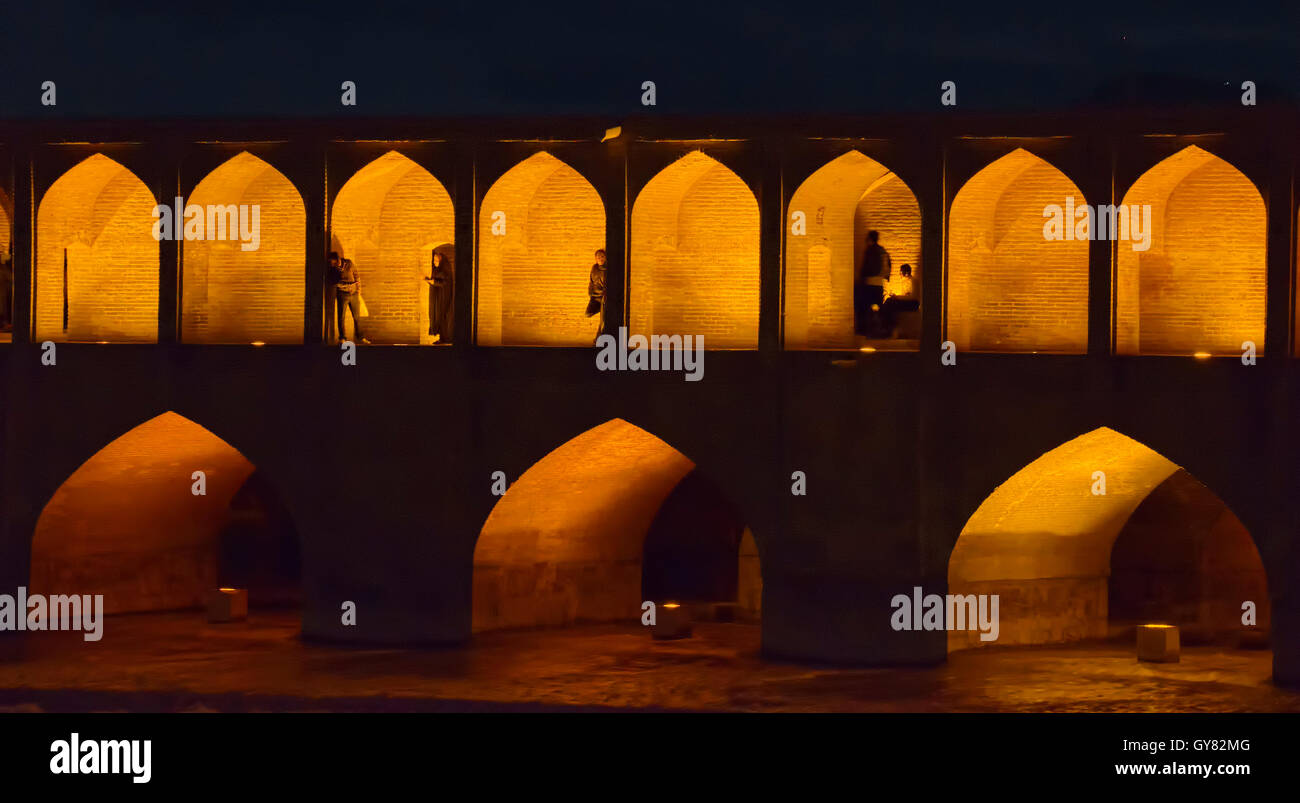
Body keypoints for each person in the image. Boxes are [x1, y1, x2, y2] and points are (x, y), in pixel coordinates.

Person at [855, 230, 891, 339]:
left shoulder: (870, 250)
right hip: (879, 284)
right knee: (879, 307)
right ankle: (880, 330)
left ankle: (868, 331)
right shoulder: (883, 251)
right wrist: (885, 277)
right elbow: (888, 266)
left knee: (866, 307)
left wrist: (861, 279)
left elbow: (866, 267)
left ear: (869, 239)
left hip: (869, 283)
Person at [329, 251, 369, 344]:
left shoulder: (349, 263)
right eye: (332, 263)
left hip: (354, 294)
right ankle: (342, 338)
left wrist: (358, 290)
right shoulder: (333, 269)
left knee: (357, 317)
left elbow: (356, 275)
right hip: (342, 295)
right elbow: (333, 282)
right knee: (341, 317)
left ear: (338, 259)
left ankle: (360, 337)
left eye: (335, 262)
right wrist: (345, 285)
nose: (335, 264)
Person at [882, 264, 919, 338]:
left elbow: (912, 297)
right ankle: (887, 325)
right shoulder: (905, 281)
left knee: (889, 302)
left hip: (913, 303)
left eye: (900, 272)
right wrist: (896, 296)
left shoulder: (912, 281)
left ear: (906, 273)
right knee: (889, 301)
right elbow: (905, 296)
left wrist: (897, 297)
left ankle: (886, 326)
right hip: (909, 302)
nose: (899, 274)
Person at [425, 250, 454, 344]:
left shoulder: (446, 271)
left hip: (444, 298)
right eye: (434, 261)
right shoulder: (436, 270)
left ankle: (447, 338)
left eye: (436, 261)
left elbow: (446, 283)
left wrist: (434, 282)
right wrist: (430, 281)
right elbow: (436, 280)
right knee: (437, 316)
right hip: (437, 298)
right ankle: (442, 338)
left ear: (441, 261)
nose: (434, 262)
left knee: (443, 316)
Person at [586, 249, 607, 344]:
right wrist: (590, 293)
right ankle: (602, 310)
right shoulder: (594, 268)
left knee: (603, 320)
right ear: (595, 259)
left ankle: (598, 340)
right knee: (588, 313)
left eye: (602, 256)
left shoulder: (608, 269)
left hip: (604, 298)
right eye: (598, 257)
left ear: (606, 257)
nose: (600, 258)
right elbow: (591, 281)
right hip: (595, 296)